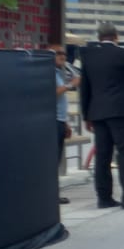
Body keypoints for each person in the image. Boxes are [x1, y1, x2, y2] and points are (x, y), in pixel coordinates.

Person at [77, 22, 124, 210]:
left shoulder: (89, 57)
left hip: (98, 113)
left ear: (99, 37)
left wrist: (87, 116)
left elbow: (84, 89)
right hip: (122, 111)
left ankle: (104, 198)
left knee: (102, 155)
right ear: (116, 36)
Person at [51, 45, 80, 205]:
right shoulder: (49, 73)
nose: (63, 56)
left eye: (64, 53)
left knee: (56, 160)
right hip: (53, 122)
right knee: (52, 159)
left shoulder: (58, 73)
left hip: (60, 121)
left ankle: (54, 193)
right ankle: (50, 194)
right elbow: (53, 92)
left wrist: (66, 122)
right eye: (59, 53)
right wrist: (71, 85)